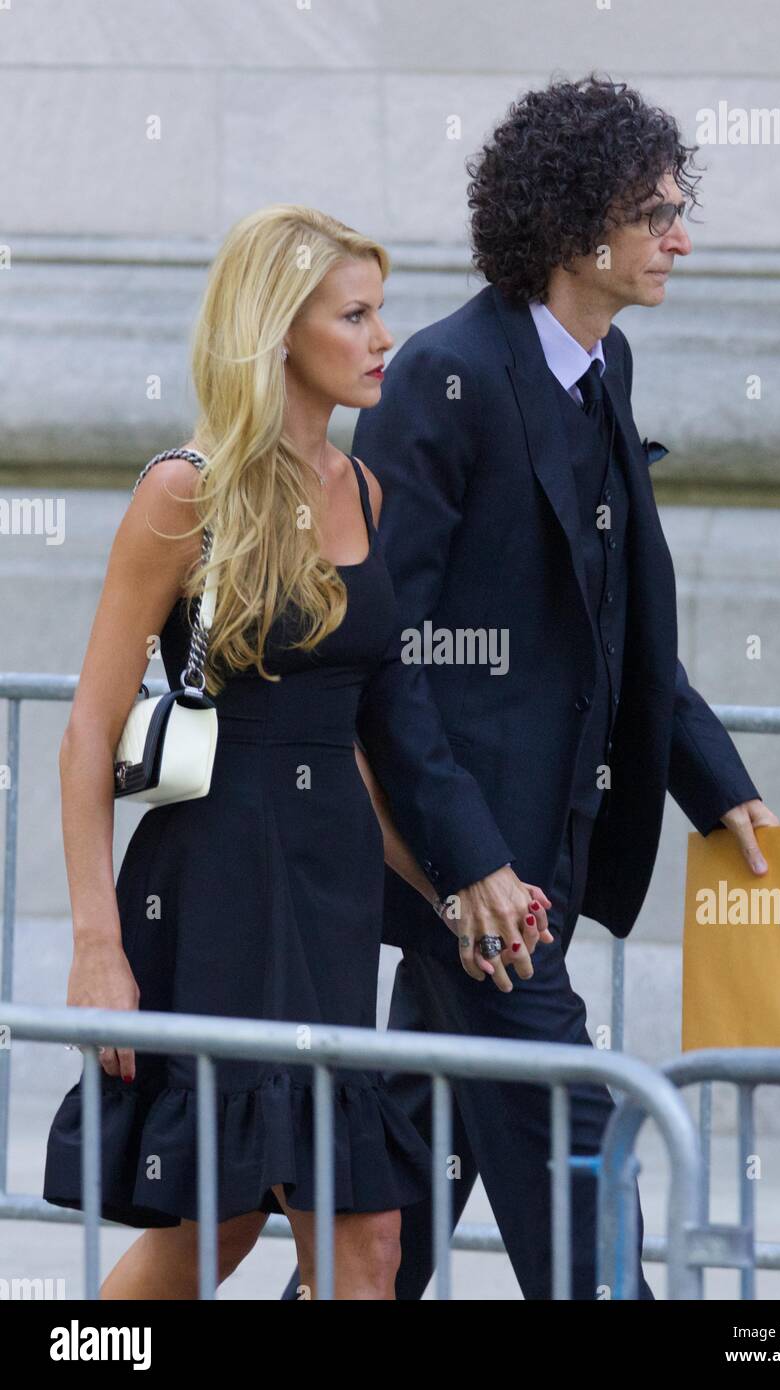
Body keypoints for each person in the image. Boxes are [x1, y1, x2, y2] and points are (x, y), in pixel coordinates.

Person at [275, 74, 780, 1302]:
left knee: (386, 1226)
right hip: (478, 877)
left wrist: (712, 782)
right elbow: (377, 655)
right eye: (655, 212)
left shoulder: (598, 371)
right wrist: (463, 867)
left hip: (531, 853)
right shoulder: (446, 379)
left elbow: (617, 624)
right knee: (582, 1183)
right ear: (574, 229)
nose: (681, 237)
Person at [42, 203, 550, 1300]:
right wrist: (97, 946)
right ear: (278, 331)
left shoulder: (364, 490)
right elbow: (88, 726)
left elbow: (378, 738)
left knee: (287, 1234)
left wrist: (454, 889)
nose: (383, 340)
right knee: (284, 1233)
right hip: (210, 890)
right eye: (355, 314)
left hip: (325, 902)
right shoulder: (186, 492)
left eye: (382, 311)